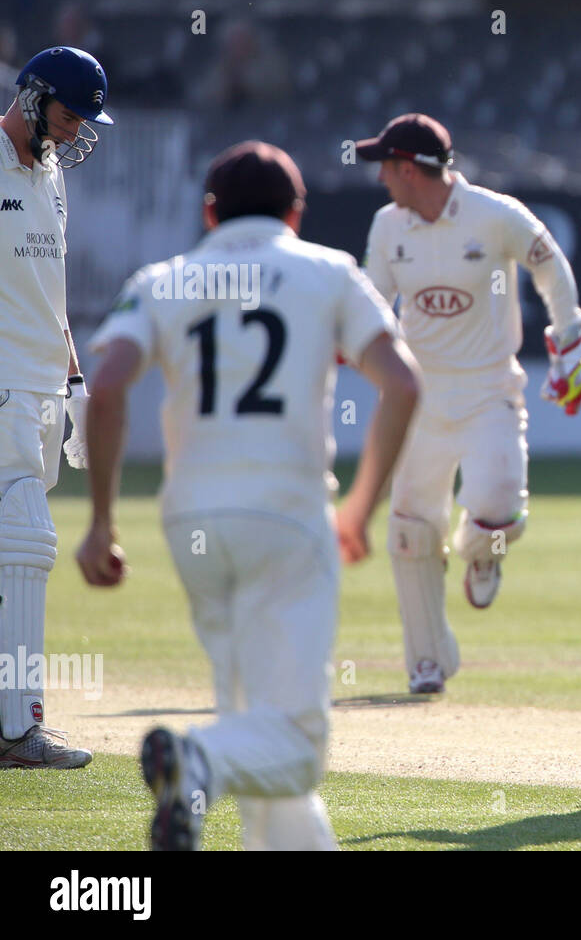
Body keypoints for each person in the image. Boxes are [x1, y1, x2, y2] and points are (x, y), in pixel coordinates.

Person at [75, 141, 420, 850]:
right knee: (296, 745)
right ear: (296, 214)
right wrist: (359, 507)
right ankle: (196, 758)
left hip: (192, 518)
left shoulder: (165, 277)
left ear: (209, 213)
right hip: (286, 515)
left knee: (257, 722)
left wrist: (102, 521)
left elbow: (106, 387)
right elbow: (404, 383)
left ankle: (203, 771)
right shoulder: (329, 270)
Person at [357, 113, 581, 695]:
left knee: (497, 509)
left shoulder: (494, 215)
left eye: (387, 166)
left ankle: (481, 552)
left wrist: (569, 342)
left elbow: (550, 263)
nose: (381, 177)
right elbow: (371, 300)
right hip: (415, 398)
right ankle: (428, 661)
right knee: (411, 528)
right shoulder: (389, 227)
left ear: (410, 168)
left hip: (489, 388)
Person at [0, 46, 112, 770]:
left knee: (14, 550)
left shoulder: (49, 179)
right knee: (28, 544)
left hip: (40, 387)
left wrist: (76, 387)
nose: (75, 132)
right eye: (70, 115)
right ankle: (19, 729)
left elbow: (53, 298)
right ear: (36, 98)